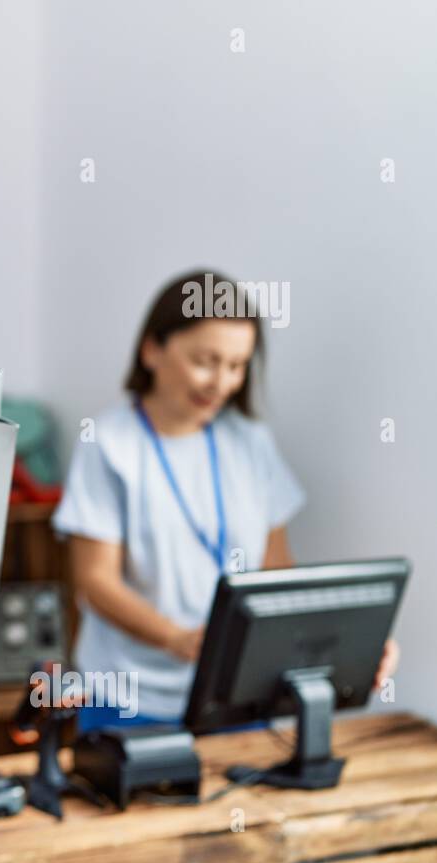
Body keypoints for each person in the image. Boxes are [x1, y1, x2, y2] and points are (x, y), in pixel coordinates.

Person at [53, 271, 399, 734]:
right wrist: (177, 639)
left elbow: (277, 570)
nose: (221, 382)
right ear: (152, 349)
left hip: (235, 695)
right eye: (206, 361)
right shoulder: (108, 443)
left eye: (236, 365)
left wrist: (354, 647)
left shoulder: (250, 442)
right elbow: (94, 581)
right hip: (131, 698)